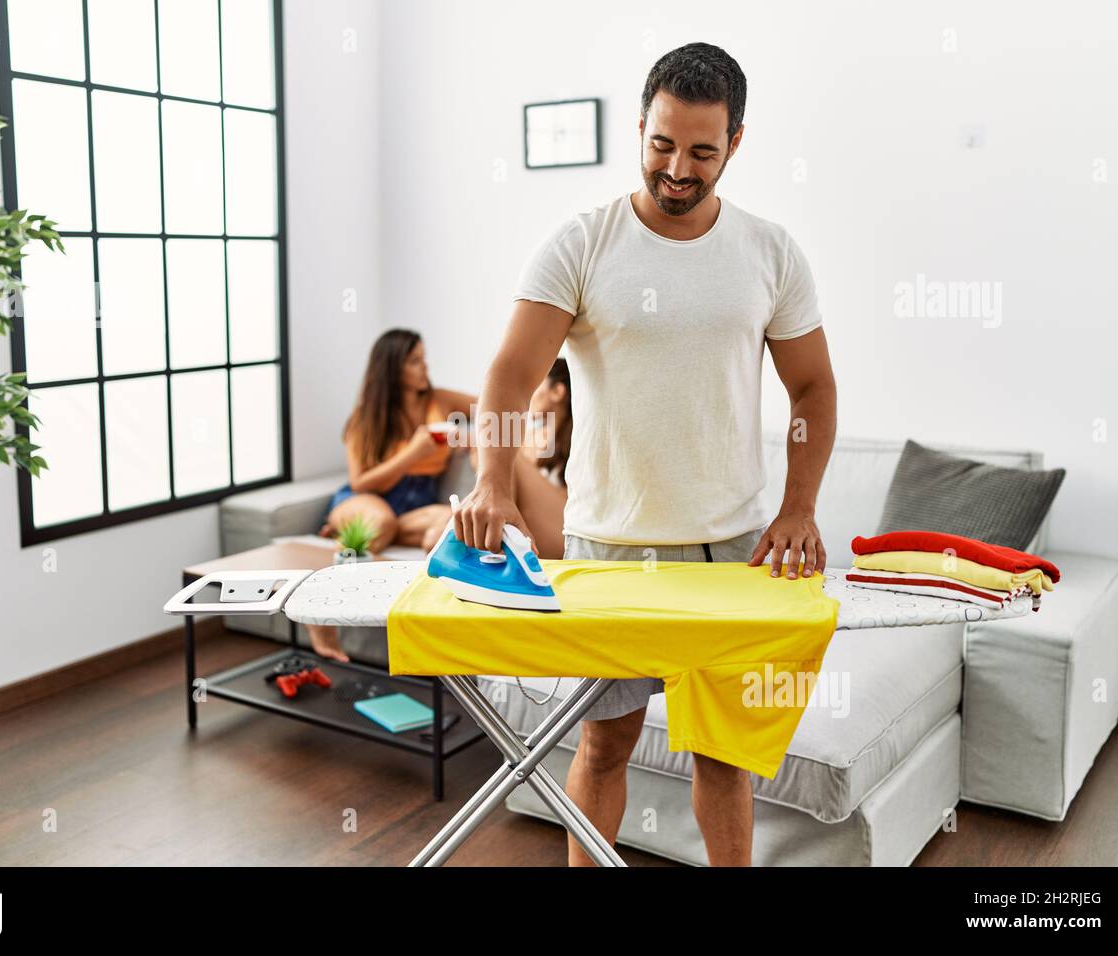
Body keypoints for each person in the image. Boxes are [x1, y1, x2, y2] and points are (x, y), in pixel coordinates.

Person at [452, 42, 838, 867]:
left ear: (735, 142)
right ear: (640, 127)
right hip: (611, 548)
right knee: (602, 750)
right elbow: (512, 374)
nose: (676, 168)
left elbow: (814, 390)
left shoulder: (771, 253)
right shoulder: (580, 243)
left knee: (726, 765)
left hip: (733, 553)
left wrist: (799, 507)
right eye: (661, 144)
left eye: (701, 151)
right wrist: (493, 483)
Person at [309, 329, 476, 661]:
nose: (425, 368)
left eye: (424, 359)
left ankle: (427, 619)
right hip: (368, 499)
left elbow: (495, 406)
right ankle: (317, 612)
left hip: (416, 504)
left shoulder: (440, 401)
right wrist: (412, 454)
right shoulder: (365, 419)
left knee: (448, 522)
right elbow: (361, 483)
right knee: (380, 521)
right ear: (393, 368)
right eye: (415, 361)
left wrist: (472, 441)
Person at [467, 357, 571, 560]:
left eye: (537, 385)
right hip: (537, 526)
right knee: (435, 531)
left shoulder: (578, 436)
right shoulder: (532, 438)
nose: (528, 394)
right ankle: (486, 539)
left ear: (557, 392)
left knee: (501, 455)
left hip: (563, 528)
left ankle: (488, 550)